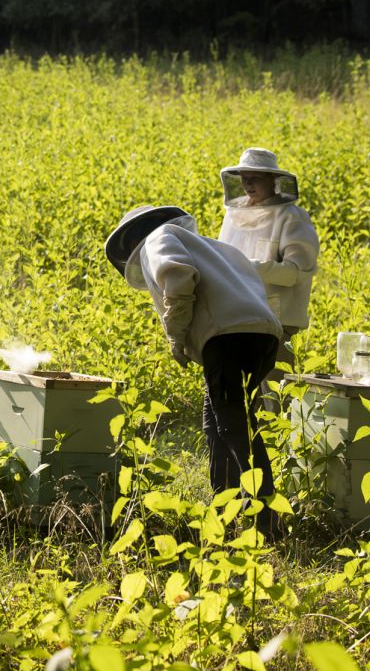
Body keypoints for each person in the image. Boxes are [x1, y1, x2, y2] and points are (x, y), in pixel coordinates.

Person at [106, 205, 284, 518]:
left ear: (135, 237)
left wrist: (176, 336)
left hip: (227, 338)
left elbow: (177, 279)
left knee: (235, 425)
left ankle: (264, 519)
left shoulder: (158, 239)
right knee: (215, 423)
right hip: (263, 336)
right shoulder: (215, 248)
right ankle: (224, 511)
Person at [216, 148, 319, 365]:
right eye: (244, 179)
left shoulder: (292, 217)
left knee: (274, 393)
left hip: (277, 322)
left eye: (255, 179)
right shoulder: (233, 215)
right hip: (236, 319)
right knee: (243, 394)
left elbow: (296, 272)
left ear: (274, 180)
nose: (248, 185)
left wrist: (248, 267)